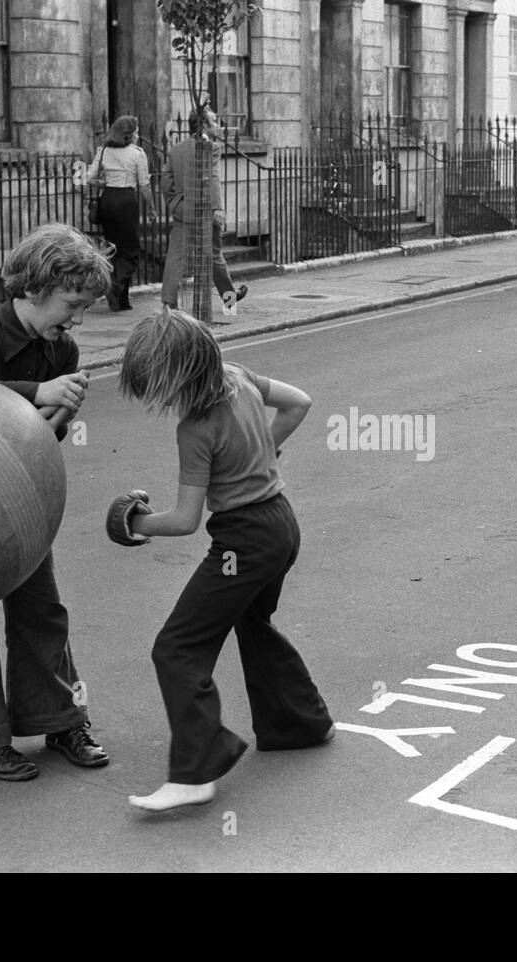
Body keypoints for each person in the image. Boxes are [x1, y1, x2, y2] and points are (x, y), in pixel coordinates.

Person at [107, 309, 333, 812]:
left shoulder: (195, 428)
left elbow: (187, 519)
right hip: (280, 524)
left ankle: (197, 769)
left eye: (155, 387)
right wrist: (262, 457)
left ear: (175, 376)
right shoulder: (239, 377)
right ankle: (301, 722)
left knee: (177, 648)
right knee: (252, 620)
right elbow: (300, 402)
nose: (156, 400)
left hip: (243, 542)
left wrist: (134, 523)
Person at [0, 223, 114, 781]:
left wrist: (58, 418)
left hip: (21, 502)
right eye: (72, 303)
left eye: (84, 309)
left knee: (42, 611)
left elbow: (42, 439)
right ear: (38, 285)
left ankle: (61, 720)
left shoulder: (63, 346)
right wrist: (39, 394)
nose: (76, 319)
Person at [159, 107, 248, 313]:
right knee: (214, 255)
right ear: (204, 125)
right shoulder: (211, 147)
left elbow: (166, 180)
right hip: (205, 209)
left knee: (176, 255)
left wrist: (175, 203)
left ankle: (168, 302)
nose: (218, 125)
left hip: (183, 210)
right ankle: (228, 299)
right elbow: (213, 177)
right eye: (214, 121)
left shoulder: (176, 150)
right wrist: (218, 208)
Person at [89, 115, 157, 311]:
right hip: (126, 201)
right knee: (130, 251)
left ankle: (122, 301)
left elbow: (89, 178)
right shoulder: (137, 153)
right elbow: (144, 186)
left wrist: (103, 182)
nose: (138, 134)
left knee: (114, 249)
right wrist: (151, 209)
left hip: (107, 200)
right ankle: (114, 286)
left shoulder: (103, 151)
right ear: (129, 135)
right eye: (135, 131)